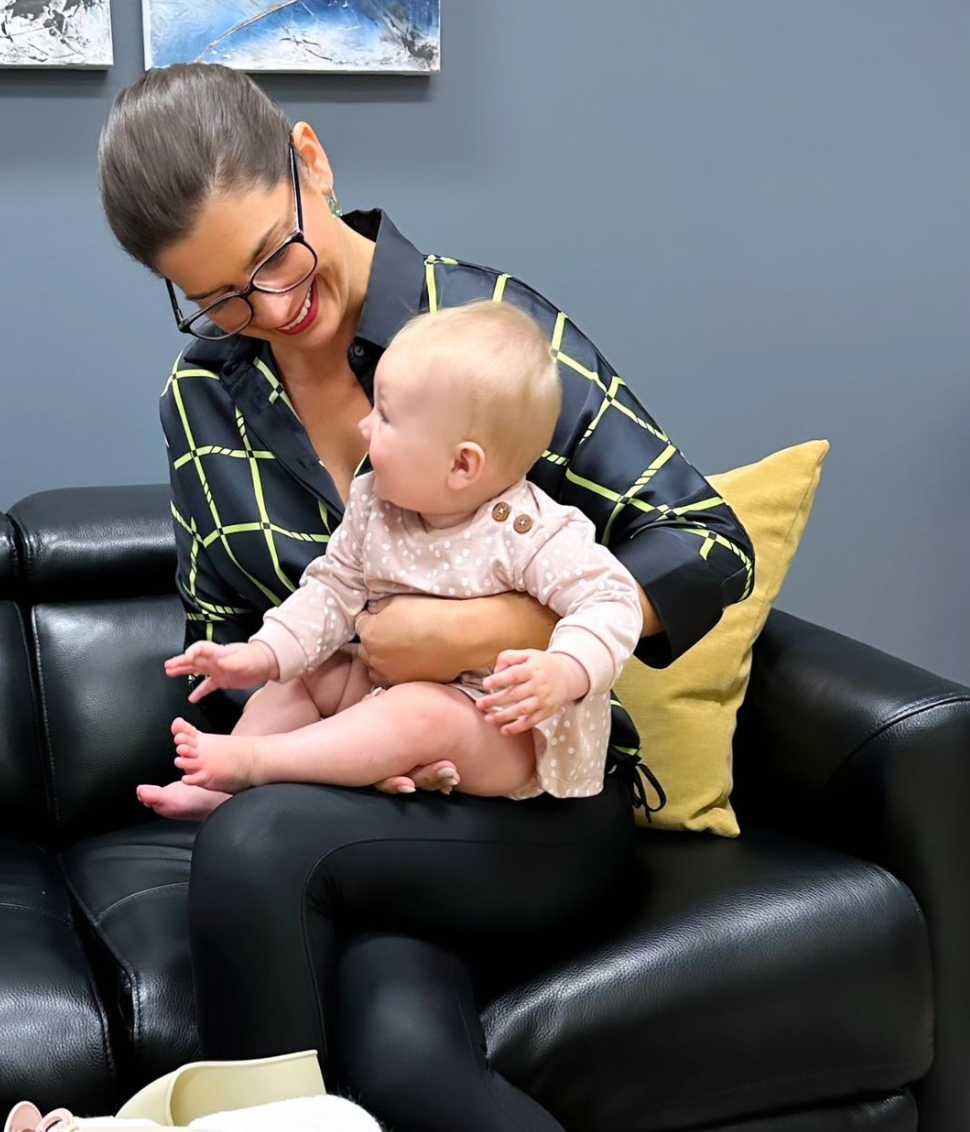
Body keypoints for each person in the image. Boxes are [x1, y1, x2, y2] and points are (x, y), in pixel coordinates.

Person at [98, 63, 754, 1132]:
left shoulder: (488, 331)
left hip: (535, 802)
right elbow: (226, 643)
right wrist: (329, 714)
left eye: (273, 256)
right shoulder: (203, 398)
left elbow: (708, 544)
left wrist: (466, 635)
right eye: (219, 298)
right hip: (360, 810)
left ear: (311, 162)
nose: (272, 310)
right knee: (400, 1070)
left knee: (254, 843)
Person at [162, 301, 643, 804]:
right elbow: (329, 592)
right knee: (305, 678)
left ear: (462, 465)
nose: (364, 426)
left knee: (419, 712)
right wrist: (263, 654)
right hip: (387, 691)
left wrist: (566, 670)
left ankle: (258, 764)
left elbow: (612, 600)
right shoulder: (374, 505)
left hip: (502, 730)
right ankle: (226, 796)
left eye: (386, 416)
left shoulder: (530, 530)